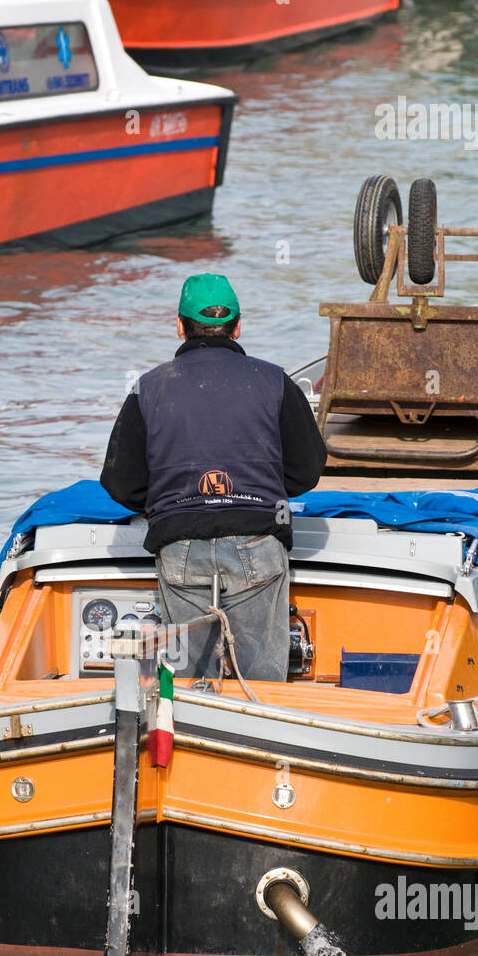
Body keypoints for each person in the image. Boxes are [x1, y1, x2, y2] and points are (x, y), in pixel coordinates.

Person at [100, 273, 327, 681]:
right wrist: (263, 491)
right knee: (260, 685)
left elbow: (120, 482)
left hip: (179, 545)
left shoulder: (147, 388)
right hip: (258, 541)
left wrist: (167, 500)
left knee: (188, 683)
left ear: (179, 325)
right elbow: (307, 470)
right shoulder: (276, 382)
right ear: (238, 326)